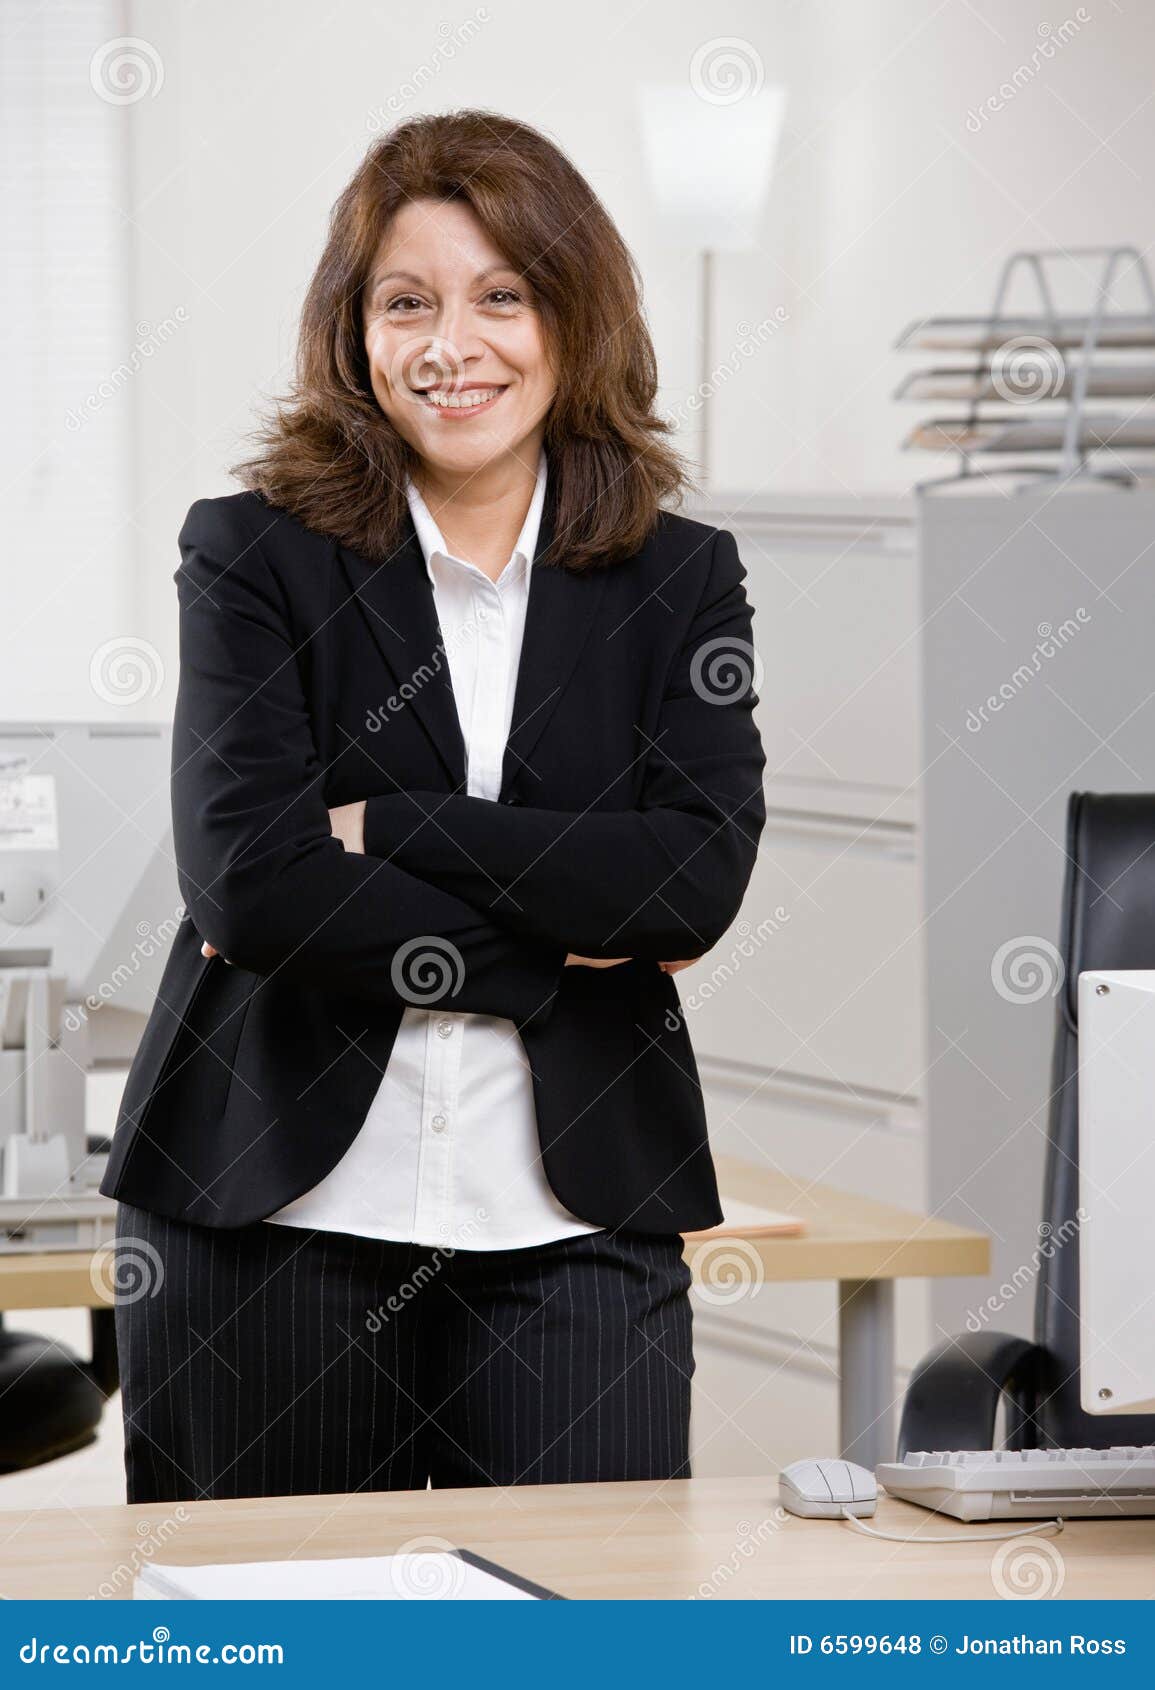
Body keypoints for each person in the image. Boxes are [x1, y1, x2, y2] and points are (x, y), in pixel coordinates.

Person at [101, 109, 766, 1504]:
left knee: (584, 1632)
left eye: (501, 297)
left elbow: (689, 885)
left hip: (576, 1212)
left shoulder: (678, 581)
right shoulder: (253, 553)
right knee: (269, 1643)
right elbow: (253, 885)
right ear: (355, 333)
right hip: (265, 1206)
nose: (450, 346)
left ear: (576, 321)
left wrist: (391, 823)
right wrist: (548, 953)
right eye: (407, 302)